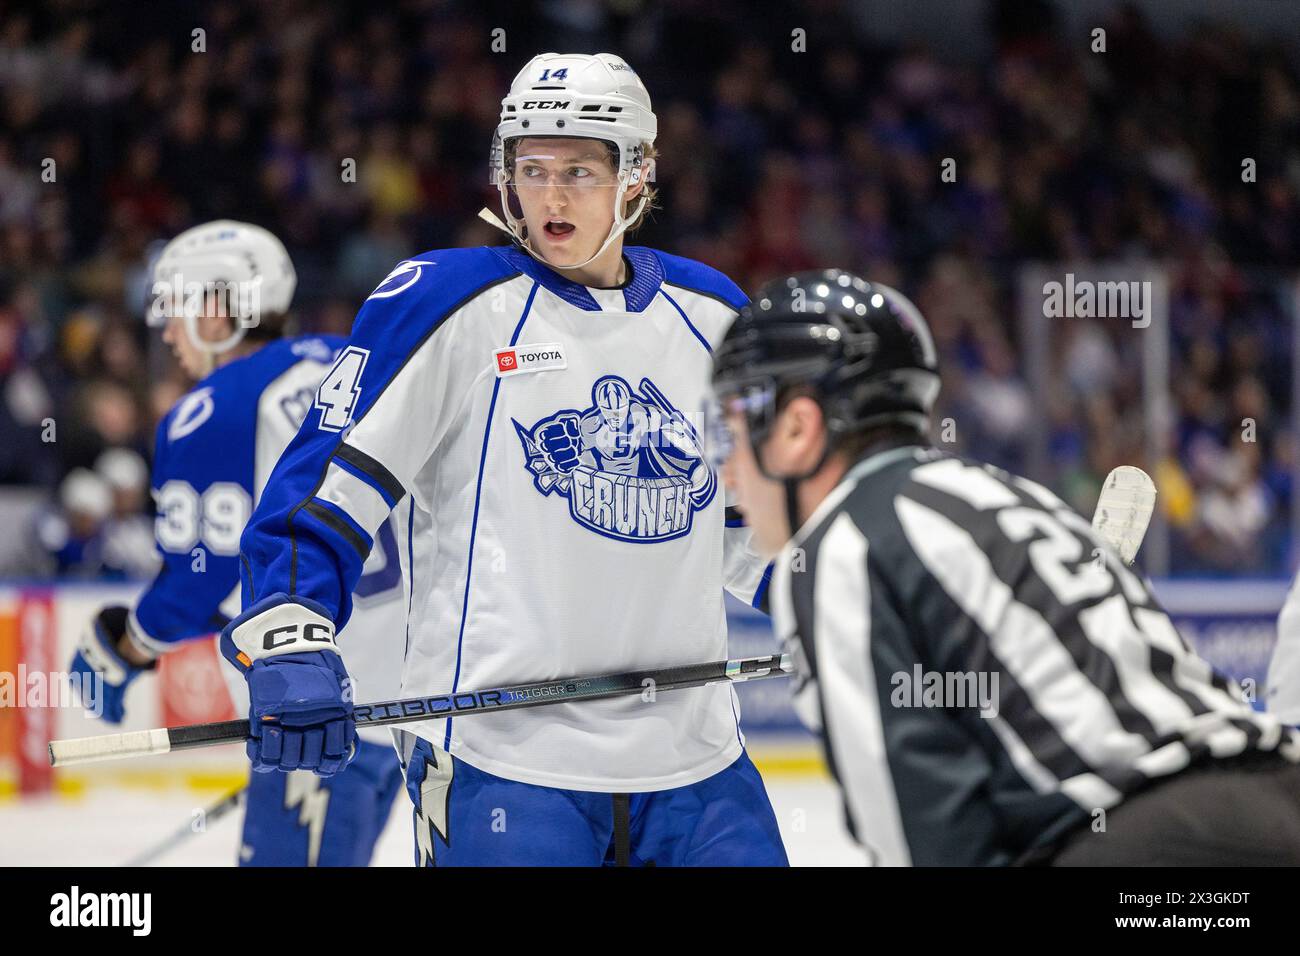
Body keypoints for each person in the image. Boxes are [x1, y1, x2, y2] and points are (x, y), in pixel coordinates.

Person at [221, 53, 787, 866]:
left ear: (637, 176)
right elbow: (322, 494)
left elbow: (749, 529)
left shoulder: (715, 313)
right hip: (505, 765)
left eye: (580, 171)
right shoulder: (445, 302)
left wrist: (847, 611)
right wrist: (289, 638)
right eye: (531, 168)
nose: (550, 196)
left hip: (696, 765)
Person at [710, 269, 1300, 865]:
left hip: (1154, 849)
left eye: (732, 433)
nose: (727, 474)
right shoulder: (1003, 494)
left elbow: (933, 843)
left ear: (797, 428)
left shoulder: (843, 546)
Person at [70, 220, 406, 866]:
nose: (169, 333)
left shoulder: (215, 407)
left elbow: (201, 577)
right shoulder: (359, 363)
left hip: (312, 705)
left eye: (178, 310)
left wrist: (127, 644)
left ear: (221, 308)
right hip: (415, 708)